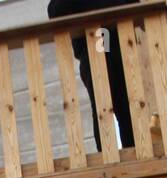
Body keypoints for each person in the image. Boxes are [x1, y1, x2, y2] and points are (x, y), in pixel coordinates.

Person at [46, 0, 135, 151]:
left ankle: (130, 150)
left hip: (116, 43)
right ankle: (111, 153)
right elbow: (55, 10)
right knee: (105, 105)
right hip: (94, 45)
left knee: (123, 104)